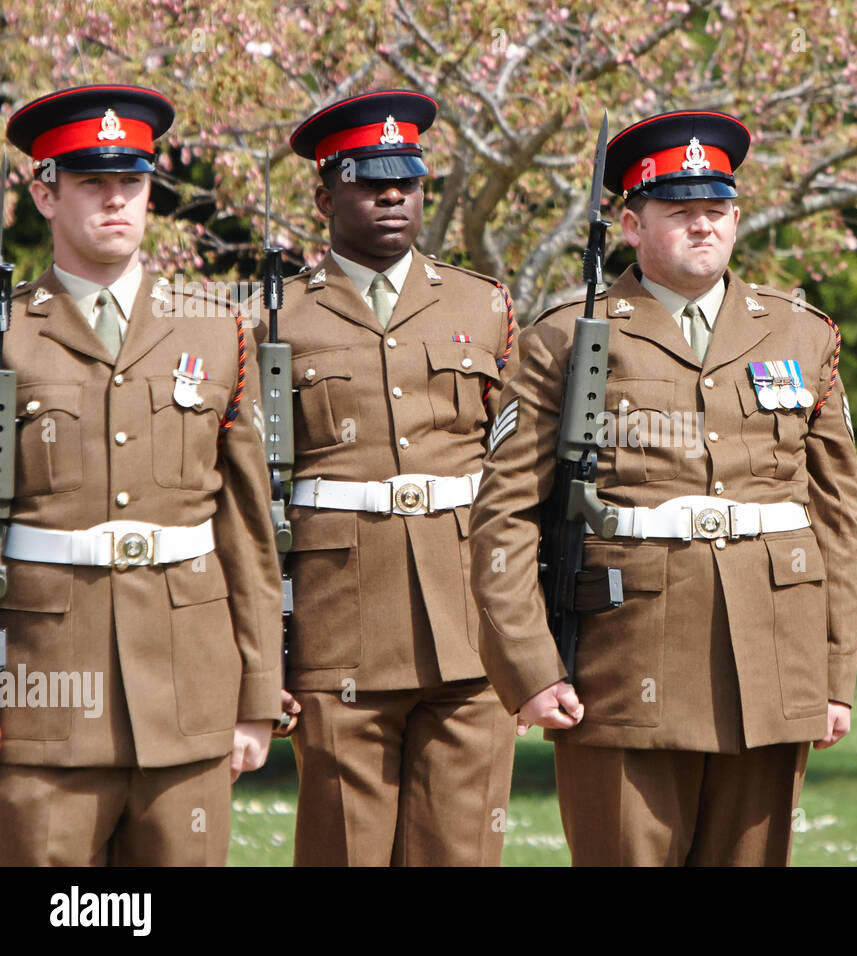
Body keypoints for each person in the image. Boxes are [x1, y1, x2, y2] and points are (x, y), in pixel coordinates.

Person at [469, 110, 857, 866]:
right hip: (623, 666)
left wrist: (832, 673)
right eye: (680, 212)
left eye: (716, 211)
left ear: (737, 218)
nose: (703, 227)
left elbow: (837, 519)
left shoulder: (799, 334)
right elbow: (506, 515)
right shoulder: (567, 335)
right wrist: (529, 666)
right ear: (630, 223)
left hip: (771, 662)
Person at [0, 84, 282, 865]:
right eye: (94, 183)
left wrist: (257, 697)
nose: (117, 201)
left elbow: (247, 530)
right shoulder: (10, 335)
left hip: (188, 692)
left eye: (132, 183)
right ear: (44, 192)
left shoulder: (217, 328)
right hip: (41, 699)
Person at [267, 90, 517, 866]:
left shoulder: (483, 304)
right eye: (368, 180)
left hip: (469, 620)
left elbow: (514, 480)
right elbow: (251, 495)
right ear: (324, 195)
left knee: (465, 849)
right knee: (344, 848)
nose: (390, 196)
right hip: (337, 619)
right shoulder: (272, 319)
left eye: (405, 181)